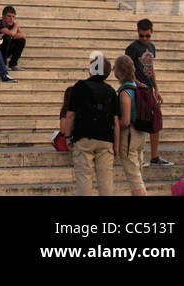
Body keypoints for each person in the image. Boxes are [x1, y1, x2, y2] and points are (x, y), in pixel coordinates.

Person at [65, 53, 119, 197]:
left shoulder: (79, 87)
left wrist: (67, 136)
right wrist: (116, 145)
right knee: (106, 180)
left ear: (91, 69)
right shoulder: (111, 91)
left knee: (84, 178)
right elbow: (116, 121)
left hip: (84, 137)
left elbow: (70, 115)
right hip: (106, 139)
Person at [125, 18, 170, 166]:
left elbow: (150, 69)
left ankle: (155, 156)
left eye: (147, 36)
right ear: (137, 32)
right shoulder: (132, 48)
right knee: (140, 121)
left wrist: (156, 88)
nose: (144, 39)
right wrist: (137, 83)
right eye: (141, 35)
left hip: (148, 89)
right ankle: (139, 155)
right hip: (137, 90)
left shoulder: (151, 47)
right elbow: (127, 69)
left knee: (155, 119)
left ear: (152, 33)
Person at [114, 53, 147, 197]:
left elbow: (125, 121)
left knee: (135, 179)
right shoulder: (138, 86)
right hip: (141, 133)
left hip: (129, 137)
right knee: (138, 174)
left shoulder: (125, 92)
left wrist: (115, 126)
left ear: (119, 72)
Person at [0, 5, 26, 70]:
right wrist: (16, 27)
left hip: (6, 50)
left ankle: (13, 64)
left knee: (21, 40)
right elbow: (11, 34)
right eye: (9, 16)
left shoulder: (13, 25)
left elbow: (23, 35)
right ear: (3, 16)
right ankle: (3, 64)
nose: (11, 19)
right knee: (7, 37)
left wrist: (10, 34)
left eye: (13, 17)